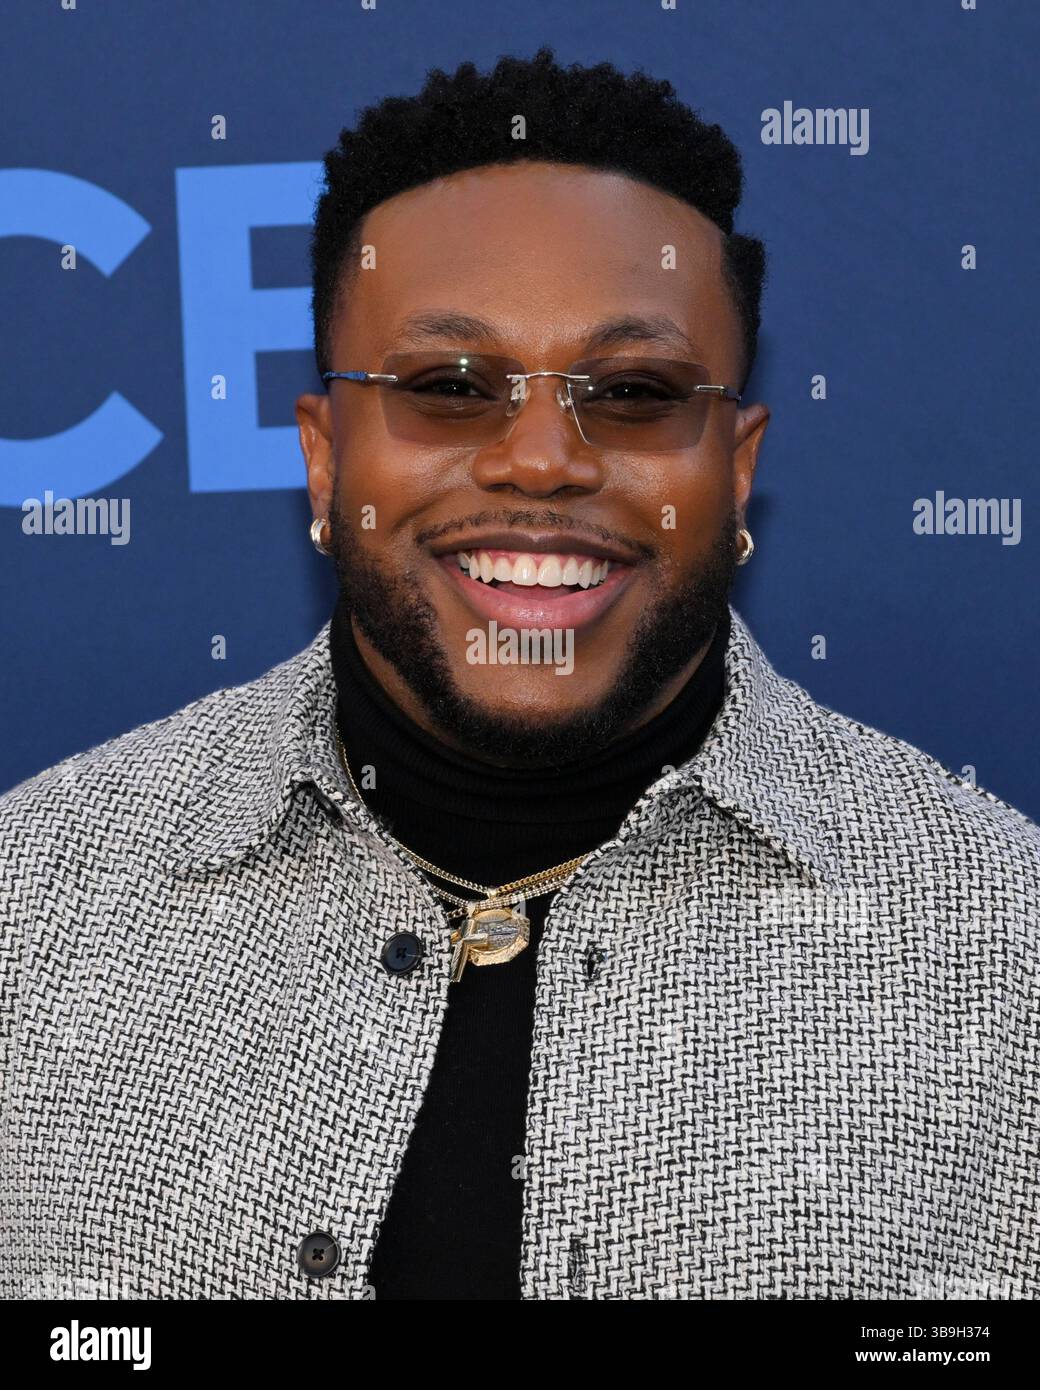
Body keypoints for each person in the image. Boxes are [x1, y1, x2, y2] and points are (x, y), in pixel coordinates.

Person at [1, 48, 1037, 1302]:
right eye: (446, 387)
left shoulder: (999, 945)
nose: (541, 459)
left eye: (636, 391)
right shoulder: (34, 895)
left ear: (738, 462)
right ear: (323, 461)